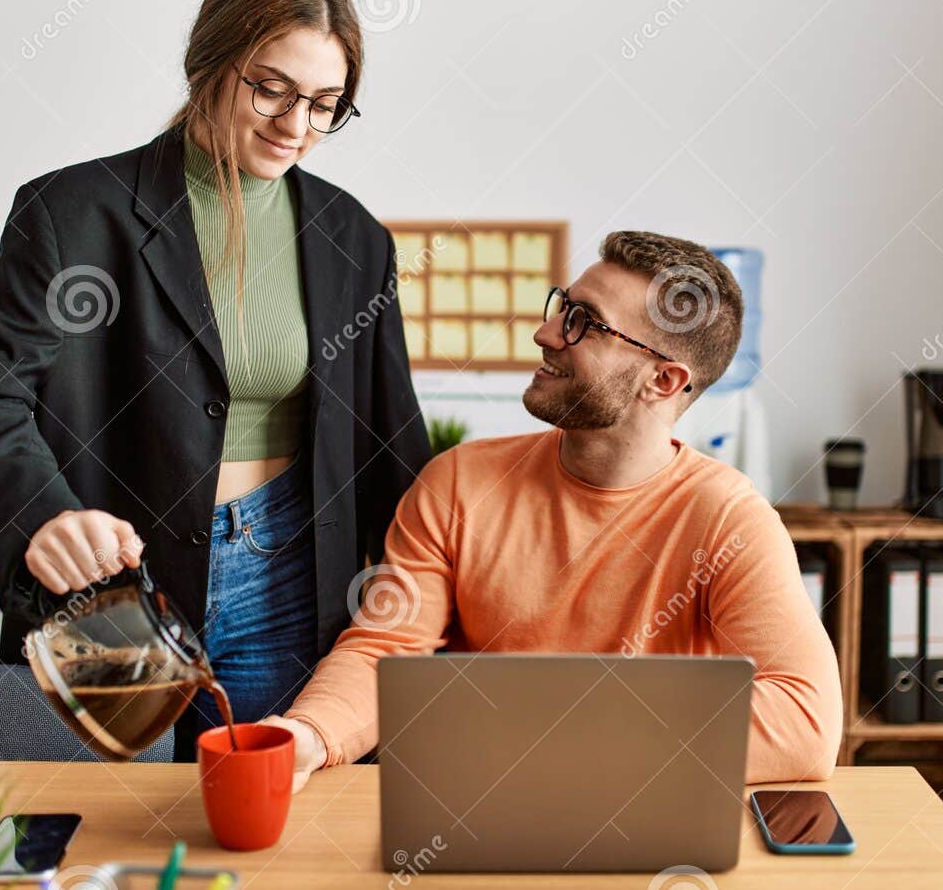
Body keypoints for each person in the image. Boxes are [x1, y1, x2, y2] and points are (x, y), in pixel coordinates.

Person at [0, 0, 431, 759]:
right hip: (113, 589)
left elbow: (394, 448)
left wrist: (431, 618)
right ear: (208, 63)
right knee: (86, 847)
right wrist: (37, 518)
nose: (296, 126)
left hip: (291, 576)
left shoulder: (353, 238)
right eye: (271, 88)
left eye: (326, 104)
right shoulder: (74, 213)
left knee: (265, 843)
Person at [263, 231, 843, 787]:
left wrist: (568, 742)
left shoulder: (729, 519)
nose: (544, 333)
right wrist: (310, 733)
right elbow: (384, 651)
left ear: (663, 380)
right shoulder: (460, 482)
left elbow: (805, 720)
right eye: (562, 307)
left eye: (584, 323)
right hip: (475, 807)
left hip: (640, 815)